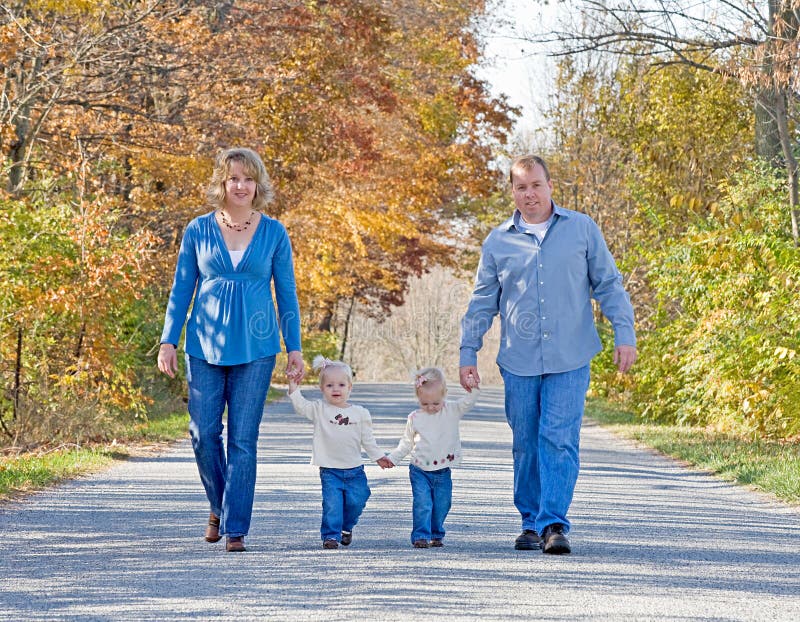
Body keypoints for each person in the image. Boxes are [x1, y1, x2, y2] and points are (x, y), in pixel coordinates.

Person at [459, 154, 636, 555]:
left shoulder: (582, 230)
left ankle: (553, 523)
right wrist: (468, 351)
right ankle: (529, 520)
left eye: (536, 184)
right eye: (521, 187)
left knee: (558, 438)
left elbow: (608, 284)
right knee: (525, 440)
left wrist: (624, 332)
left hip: (571, 356)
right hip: (518, 359)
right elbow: (482, 302)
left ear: (550, 186)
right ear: (513, 192)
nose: (530, 193)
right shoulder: (498, 241)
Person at [157, 147, 305, 553]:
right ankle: (218, 506)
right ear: (222, 183)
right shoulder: (198, 230)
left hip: (257, 347)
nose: (241, 186)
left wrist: (295, 348)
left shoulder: (274, 232)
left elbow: (287, 294)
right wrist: (168, 339)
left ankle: (235, 526)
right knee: (203, 433)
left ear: (258, 185)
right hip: (203, 344)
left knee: (243, 439)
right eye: (233, 178)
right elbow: (182, 288)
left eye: (248, 179)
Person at [288, 355, 393, 549]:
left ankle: (347, 527)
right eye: (329, 385)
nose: (336, 389)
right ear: (322, 389)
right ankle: (331, 536)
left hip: (355, 470)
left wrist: (378, 456)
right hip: (330, 470)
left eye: (341, 385)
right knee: (332, 505)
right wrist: (294, 386)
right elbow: (301, 406)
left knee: (358, 500)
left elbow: (367, 440)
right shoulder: (319, 409)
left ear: (350, 388)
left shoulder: (360, 413)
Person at [384, 367, 480, 548]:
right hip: (419, 469)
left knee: (443, 504)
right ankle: (420, 535)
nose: (430, 408)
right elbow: (406, 443)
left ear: (444, 394)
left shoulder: (451, 410)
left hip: (442, 471)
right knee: (423, 503)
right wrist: (392, 458)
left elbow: (468, 402)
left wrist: (473, 387)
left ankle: (436, 533)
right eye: (424, 404)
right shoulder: (415, 417)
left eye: (435, 403)